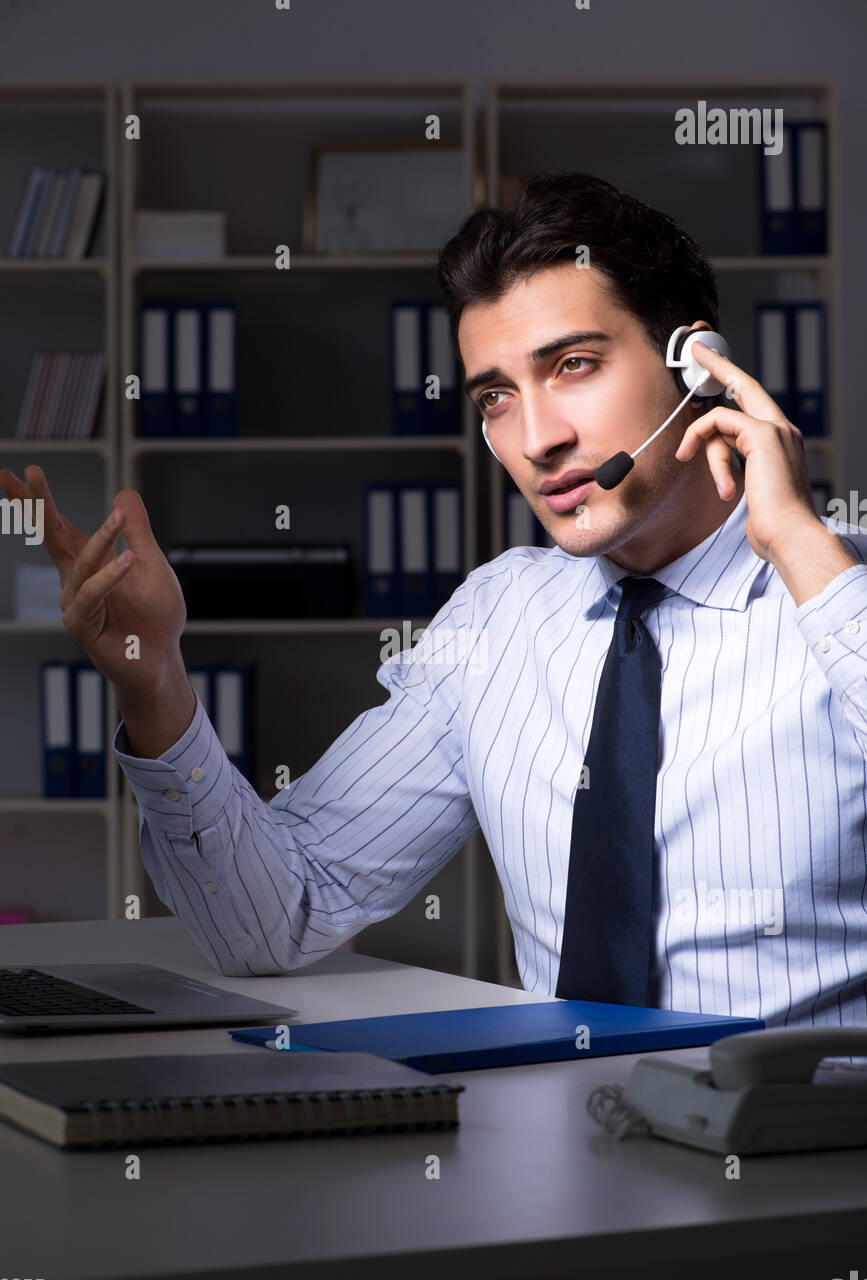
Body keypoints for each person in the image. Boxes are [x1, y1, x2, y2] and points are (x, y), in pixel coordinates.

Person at [3, 172, 864, 1027]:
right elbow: (273, 921)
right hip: (579, 1138)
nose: (537, 440)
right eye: (496, 396)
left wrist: (795, 542)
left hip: (813, 1151)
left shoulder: (839, 597)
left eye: (573, 365)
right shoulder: (497, 621)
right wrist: (153, 684)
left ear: (699, 366)